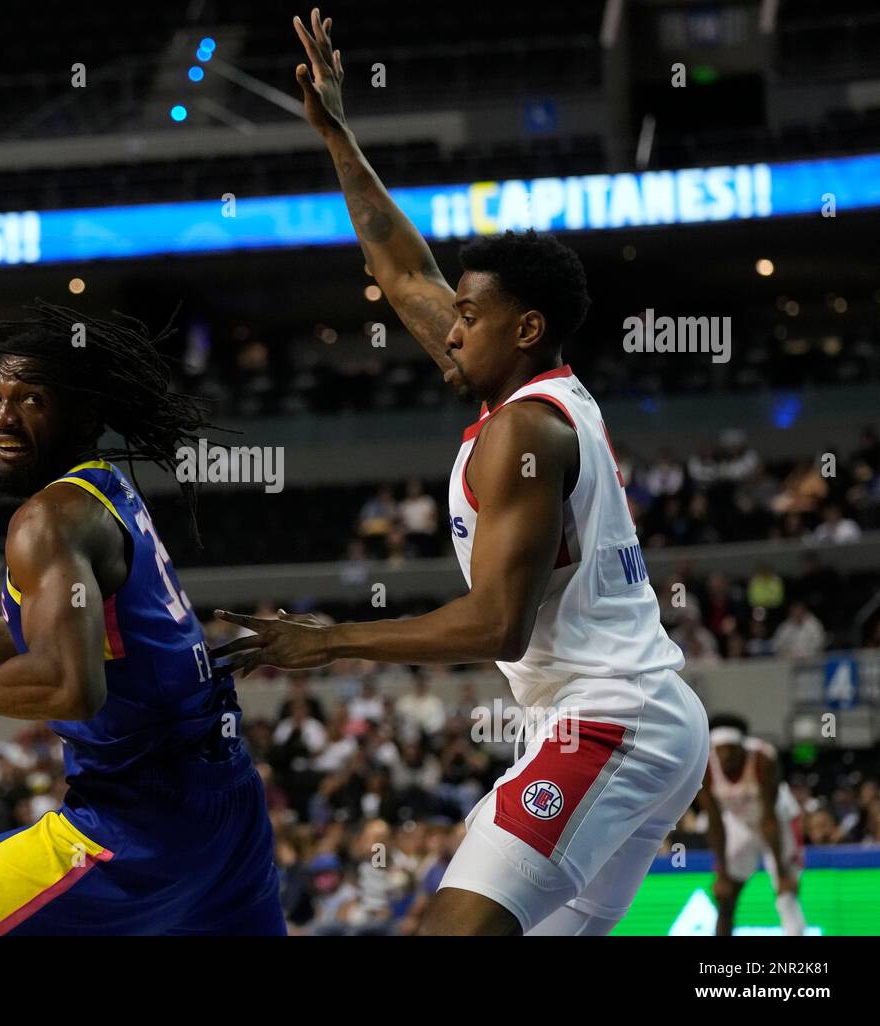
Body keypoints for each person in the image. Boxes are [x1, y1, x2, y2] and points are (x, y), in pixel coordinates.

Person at [212, 9, 708, 937]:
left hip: (609, 718)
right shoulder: (532, 389)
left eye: (469, 317)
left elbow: (494, 621)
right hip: (628, 719)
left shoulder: (526, 430)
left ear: (524, 330)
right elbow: (403, 272)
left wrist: (331, 642)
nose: (449, 327)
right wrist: (339, 136)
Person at [0, 301, 283, 935]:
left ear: (85, 413)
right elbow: (61, 645)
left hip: (138, 826)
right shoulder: (105, 489)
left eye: (30, 399)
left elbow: (69, 687)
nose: (2, 418)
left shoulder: (47, 519)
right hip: (225, 803)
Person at [694, 715, 806, 936]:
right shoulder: (705, 767)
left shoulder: (763, 759)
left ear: (742, 748)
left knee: (786, 896)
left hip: (779, 821)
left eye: (732, 751)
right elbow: (715, 823)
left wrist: (782, 873)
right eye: (721, 751)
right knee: (726, 896)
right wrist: (722, 873)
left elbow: (769, 818)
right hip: (739, 822)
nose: (726, 758)